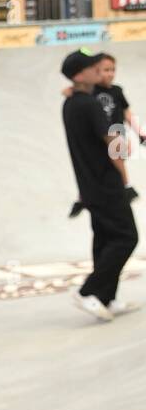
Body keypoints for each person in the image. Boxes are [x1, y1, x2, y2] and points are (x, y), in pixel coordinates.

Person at [60, 51, 139, 321]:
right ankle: (88, 291)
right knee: (127, 237)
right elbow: (112, 143)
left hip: (89, 185)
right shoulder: (89, 104)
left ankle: (107, 297)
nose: (98, 70)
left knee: (105, 239)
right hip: (107, 184)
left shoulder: (71, 103)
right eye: (93, 67)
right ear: (81, 74)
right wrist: (125, 178)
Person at [68, 54, 142, 216]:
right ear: (96, 72)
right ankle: (83, 196)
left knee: (117, 160)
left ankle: (126, 186)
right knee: (96, 165)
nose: (110, 74)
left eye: (113, 70)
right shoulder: (92, 90)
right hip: (99, 133)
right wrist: (69, 91)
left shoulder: (117, 90)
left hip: (117, 130)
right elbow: (75, 91)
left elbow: (127, 113)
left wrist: (140, 133)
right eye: (105, 70)